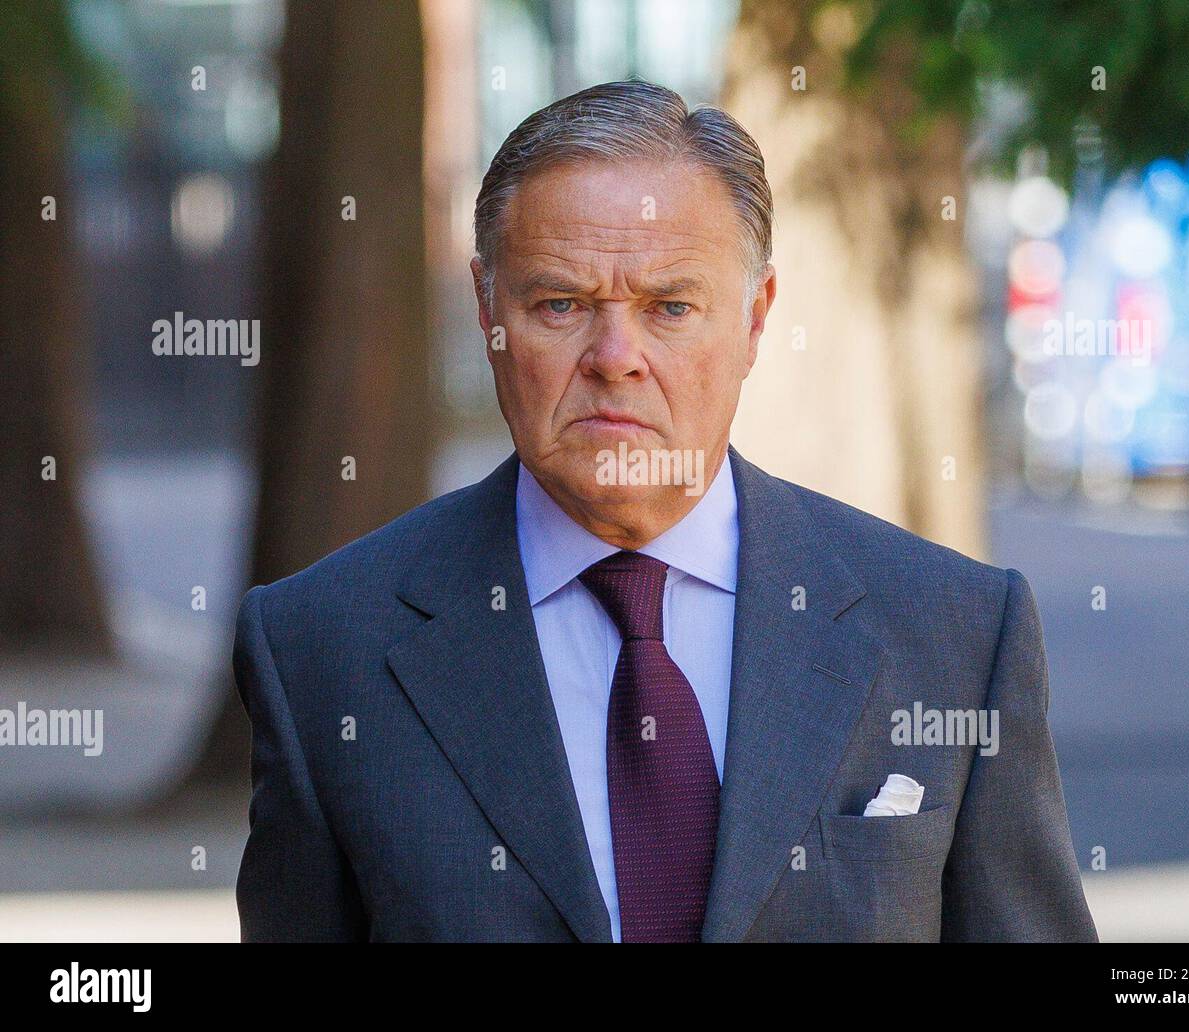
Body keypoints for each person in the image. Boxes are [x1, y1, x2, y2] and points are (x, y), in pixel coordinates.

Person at [234, 79, 1097, 943]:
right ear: (488, 311)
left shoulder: (954, 634)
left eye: (671, 308)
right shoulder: (320, 649)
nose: (617, 358)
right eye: (560, 305)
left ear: (756, 320)